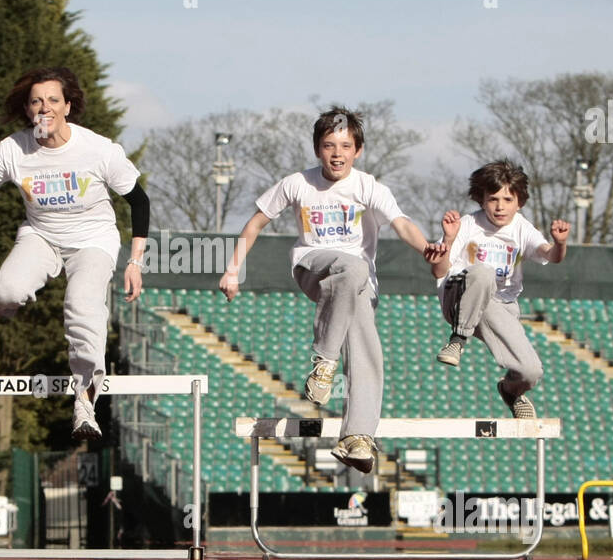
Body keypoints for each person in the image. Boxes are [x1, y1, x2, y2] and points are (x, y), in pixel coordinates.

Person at [218, 107, 445, 474]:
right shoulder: (298, 183)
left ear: (357, 150)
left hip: (358, 286)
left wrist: (426, 248)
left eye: (345, 146)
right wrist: (232, 270)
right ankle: (324, 360)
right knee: (350, 264)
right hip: (314, 268)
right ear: (317, 149)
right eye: (328, 145)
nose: (337, 153)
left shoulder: (368, 186)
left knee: (368, 349)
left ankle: (356, 437)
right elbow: (256, 222)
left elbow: (401, 223)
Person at [0, 67, 148, 441]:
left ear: (68, 106)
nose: (44, 108)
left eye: (53, 100)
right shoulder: (13, 149)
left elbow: (138, 200)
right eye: (37, 101)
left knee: (83, 305)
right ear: (28, 109)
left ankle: (85, 399)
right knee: (8, 291)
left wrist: (135, 262)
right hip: (41, 235)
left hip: (93, 241)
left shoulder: (98, 150)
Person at [432, 160, 570, 419]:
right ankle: (458, 340)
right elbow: (439, 272)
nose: (500, 207)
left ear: (519, 202)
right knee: (483, 273)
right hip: (459, 297)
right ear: (481, 200)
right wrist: (448, 240)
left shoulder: (521, 227)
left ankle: (511, 390)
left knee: (531, 371)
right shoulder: (467, 225)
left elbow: (550, 256)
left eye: (507, 199)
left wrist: (559, 243)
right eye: (493, 199)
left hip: (499, 306)